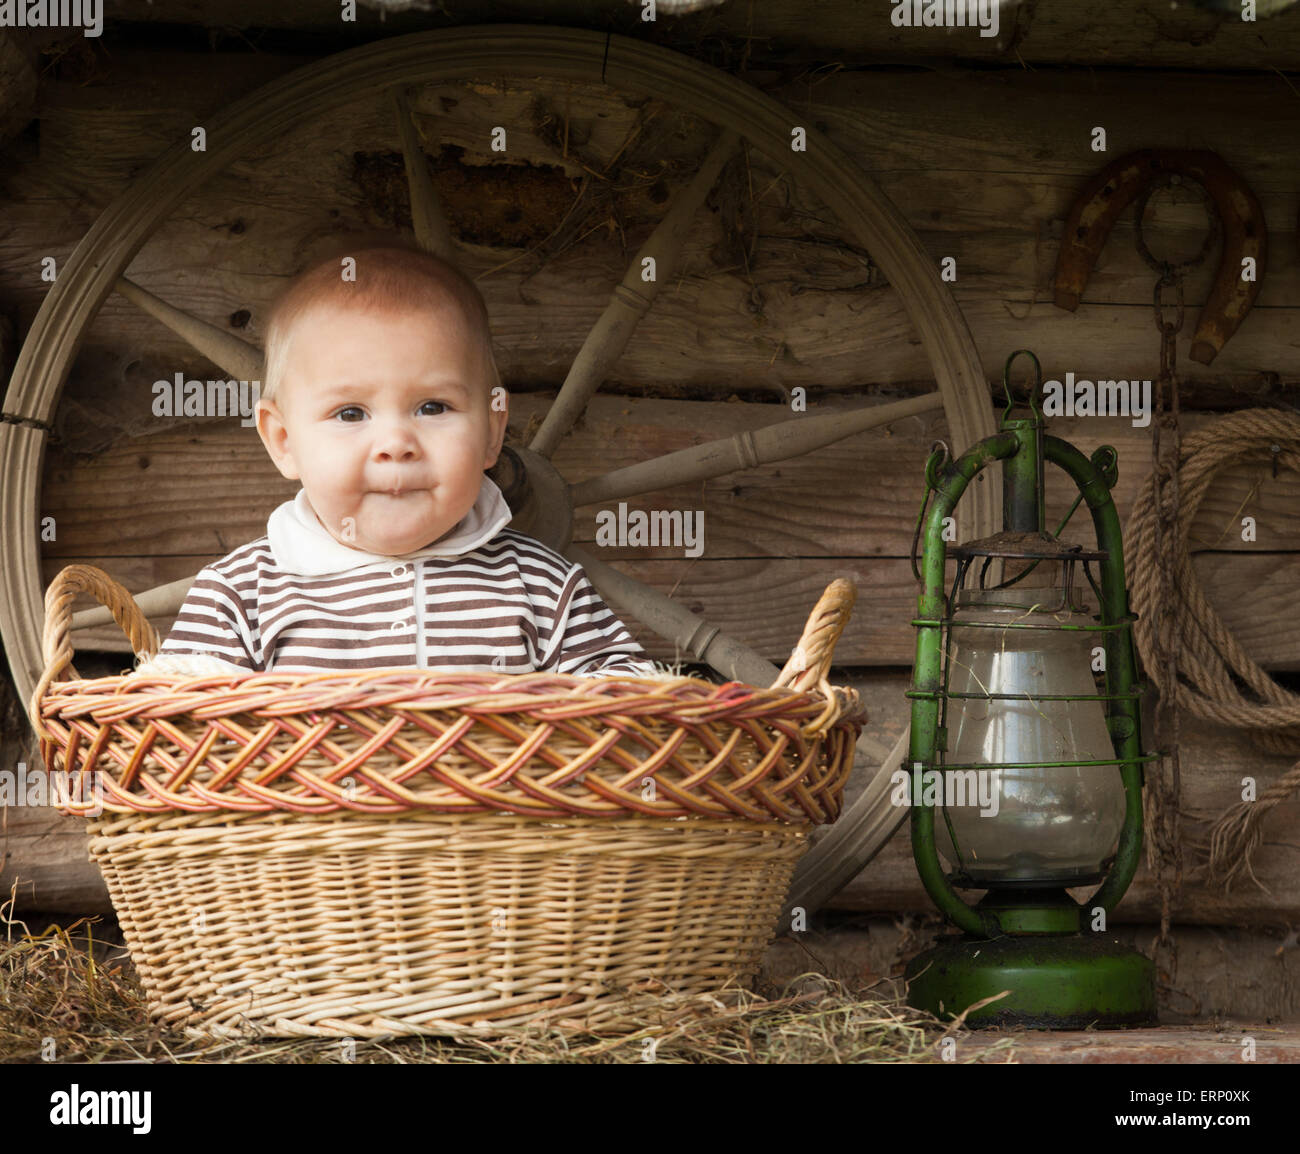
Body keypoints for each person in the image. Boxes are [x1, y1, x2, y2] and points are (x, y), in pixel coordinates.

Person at [153, 241, 661, 679]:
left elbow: (631, 712)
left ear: (491, 434)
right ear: (284, 440)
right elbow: (174, 732)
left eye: (432, 407)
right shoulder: (241, 595)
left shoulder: (540, 584)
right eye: (350, 412)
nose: (396, 443)